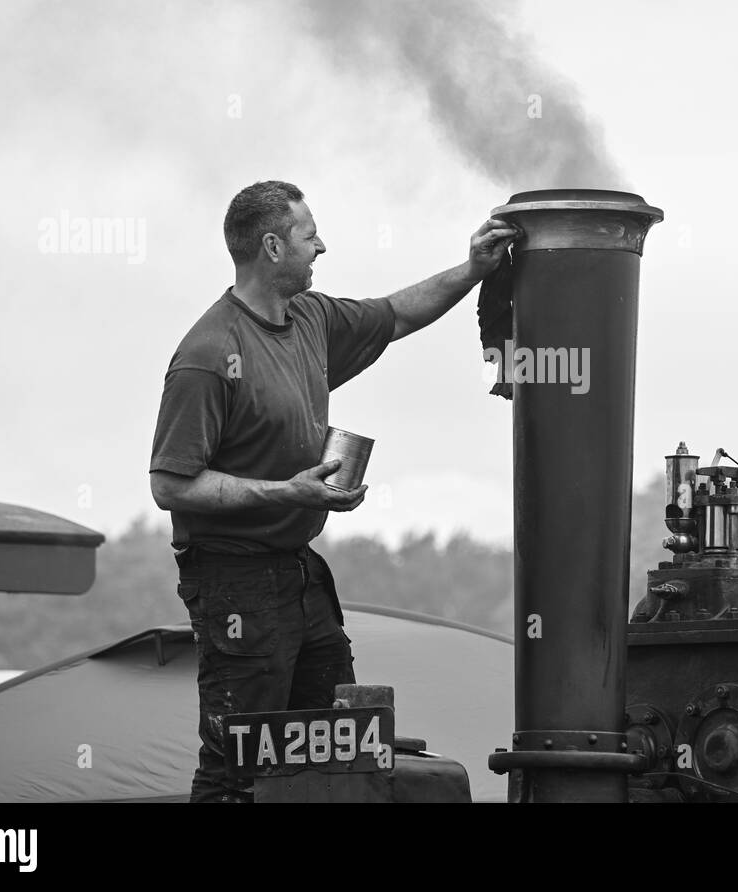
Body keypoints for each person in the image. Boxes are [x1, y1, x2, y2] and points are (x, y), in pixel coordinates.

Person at [149, 180, 516, 802]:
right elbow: (171, 484)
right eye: (308, 234)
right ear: (271, 246)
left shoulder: (311, 320)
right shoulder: (209, 353)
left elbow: (397, 314)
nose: (322, 246)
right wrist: (287, 492)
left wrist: (476, 269)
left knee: (335, 748)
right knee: (236, 764)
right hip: (234, 583)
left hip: (299, 576)